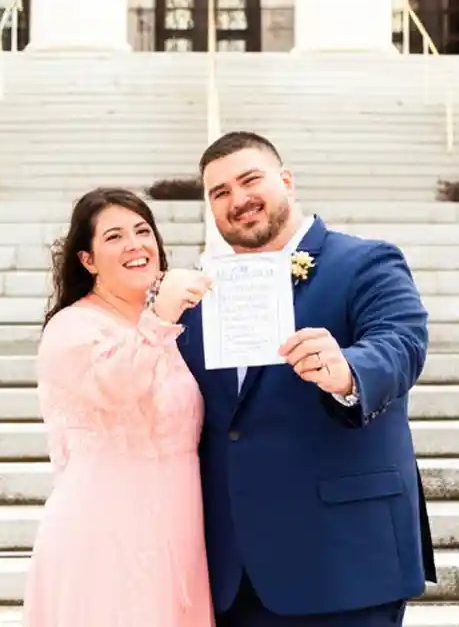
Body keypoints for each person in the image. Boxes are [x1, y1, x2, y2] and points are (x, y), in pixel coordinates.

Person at [177, 132, 436, 626]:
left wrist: (348, 372)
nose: (238, 200)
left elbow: (401, 342)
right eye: (220, 192)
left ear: (287, 181)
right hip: (234, 573)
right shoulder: (200, 293)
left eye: (250, 180)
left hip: (345, 558)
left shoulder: (366, 262)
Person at [23, 187, 217, 627]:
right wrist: (162, 316)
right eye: (114, 237)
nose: (135, 244)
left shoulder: (172, 327)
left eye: (142, 230)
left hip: (179, 533)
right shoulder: (72, 328)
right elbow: (120, 386)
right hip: (105, 534)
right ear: (87, 260)